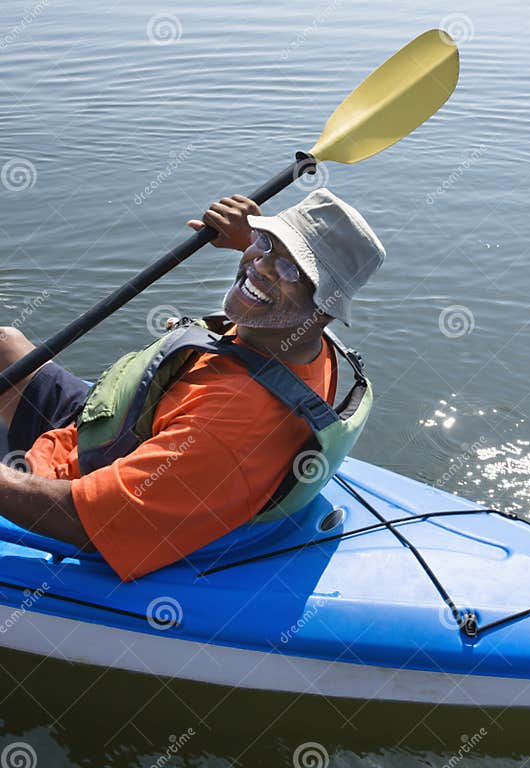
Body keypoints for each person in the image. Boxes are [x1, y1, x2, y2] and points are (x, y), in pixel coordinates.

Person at [0, 188, 385, 580]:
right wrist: (253, 244)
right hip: (108, 431)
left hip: (74, 487)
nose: (261, 266)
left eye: (291, 269)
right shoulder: (298, 338)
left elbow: (91, 522)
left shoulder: (230, 427)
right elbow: (274, 277)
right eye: (267, 242)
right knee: (4, 344)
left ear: (325, 309)